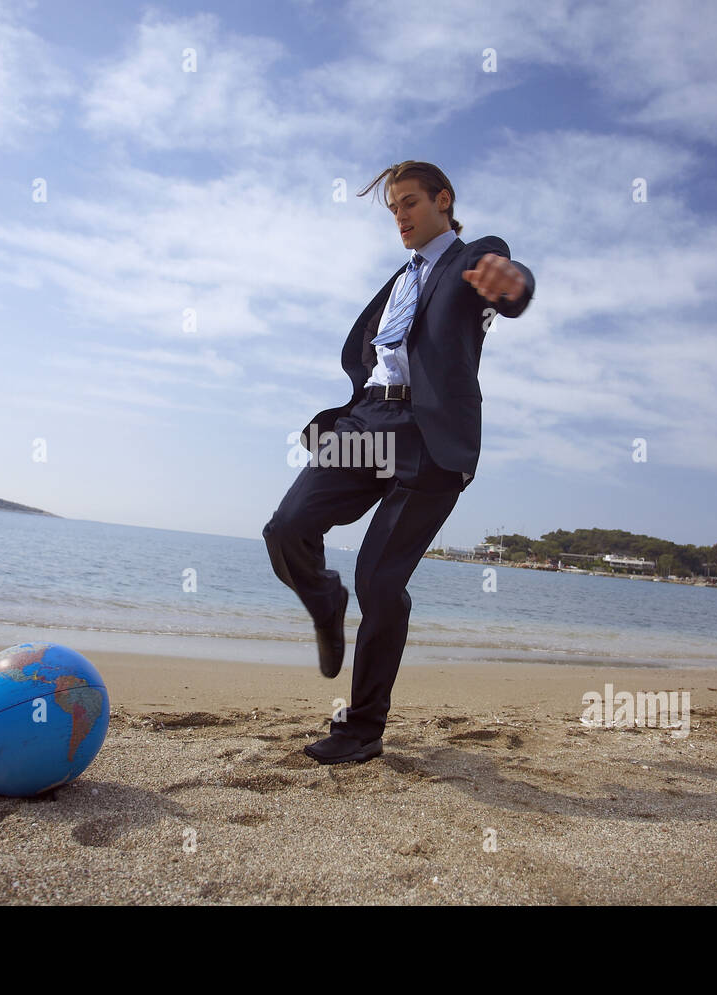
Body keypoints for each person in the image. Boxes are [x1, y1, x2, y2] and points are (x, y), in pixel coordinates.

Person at [262, 160, 536, 765]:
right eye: (393, 209)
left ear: (443, 200)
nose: (401, 218)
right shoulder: (398, 281)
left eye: (410, 203)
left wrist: (509, 282)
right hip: (369, 426)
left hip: (432, 439)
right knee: (286, 529)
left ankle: (361, 729)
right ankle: (323, 600)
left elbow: (509, 283)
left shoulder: (470, 260)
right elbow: (373, 356)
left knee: (381, 582)